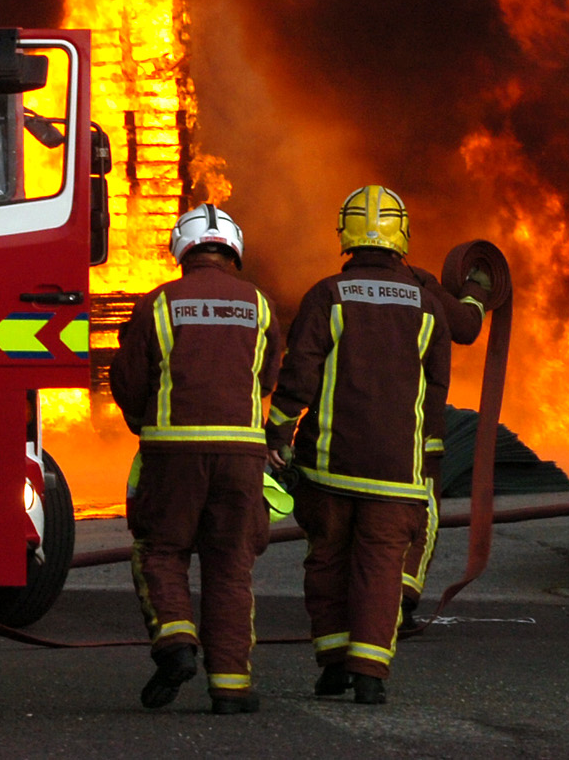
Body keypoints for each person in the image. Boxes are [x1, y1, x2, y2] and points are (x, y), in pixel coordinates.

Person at [267, 185, 489, 705]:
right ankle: (370, 675)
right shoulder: (428, 303)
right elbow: (437, 388)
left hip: (328, 469)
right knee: (381, 570)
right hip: (396, 474)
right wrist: (422, 455)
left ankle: (332, 666)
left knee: (327, 563)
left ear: (345, 235)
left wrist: (277, 433)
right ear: (402, 237)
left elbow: (299, 374)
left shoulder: (328, 295)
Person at [110, 204, 283, 715]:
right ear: (234, 248)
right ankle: (230, 688)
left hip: (173, 450)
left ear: (181, 248)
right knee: (230, 566)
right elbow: (268, 378)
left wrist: (143, 422)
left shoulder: (159, 303)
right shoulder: (261, 304)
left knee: (161, 549)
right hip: (242, 455)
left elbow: (129, 378)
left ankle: (176, 641)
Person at [400, 258, 489, 632]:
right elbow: (466, 327)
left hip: (348, 434)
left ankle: (347, 613)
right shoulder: (421, 286)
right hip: (416, 433)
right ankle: (400, 603)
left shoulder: (333, 293)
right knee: (420, 521)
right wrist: (478, 288)